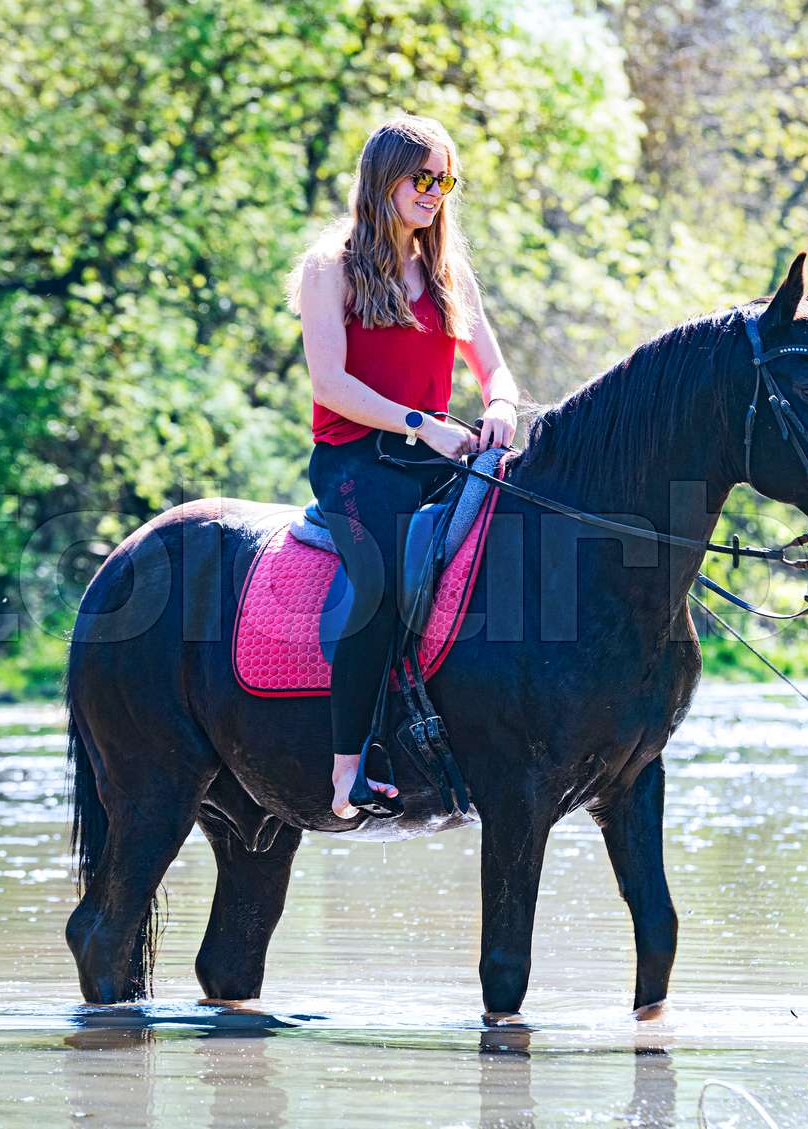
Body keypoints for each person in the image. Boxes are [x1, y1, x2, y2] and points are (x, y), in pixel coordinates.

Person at [284, 113, 521, 820]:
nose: (435, 192)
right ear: (384, 178)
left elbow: (494, 366)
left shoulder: (447, 270)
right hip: (357, 460)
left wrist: (502, 405)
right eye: (424, 177)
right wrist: (427, 425)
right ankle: (346, 769)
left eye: (446, 179)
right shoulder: (331, 266)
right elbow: (331, 384)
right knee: (381, 584)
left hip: (440, 453)